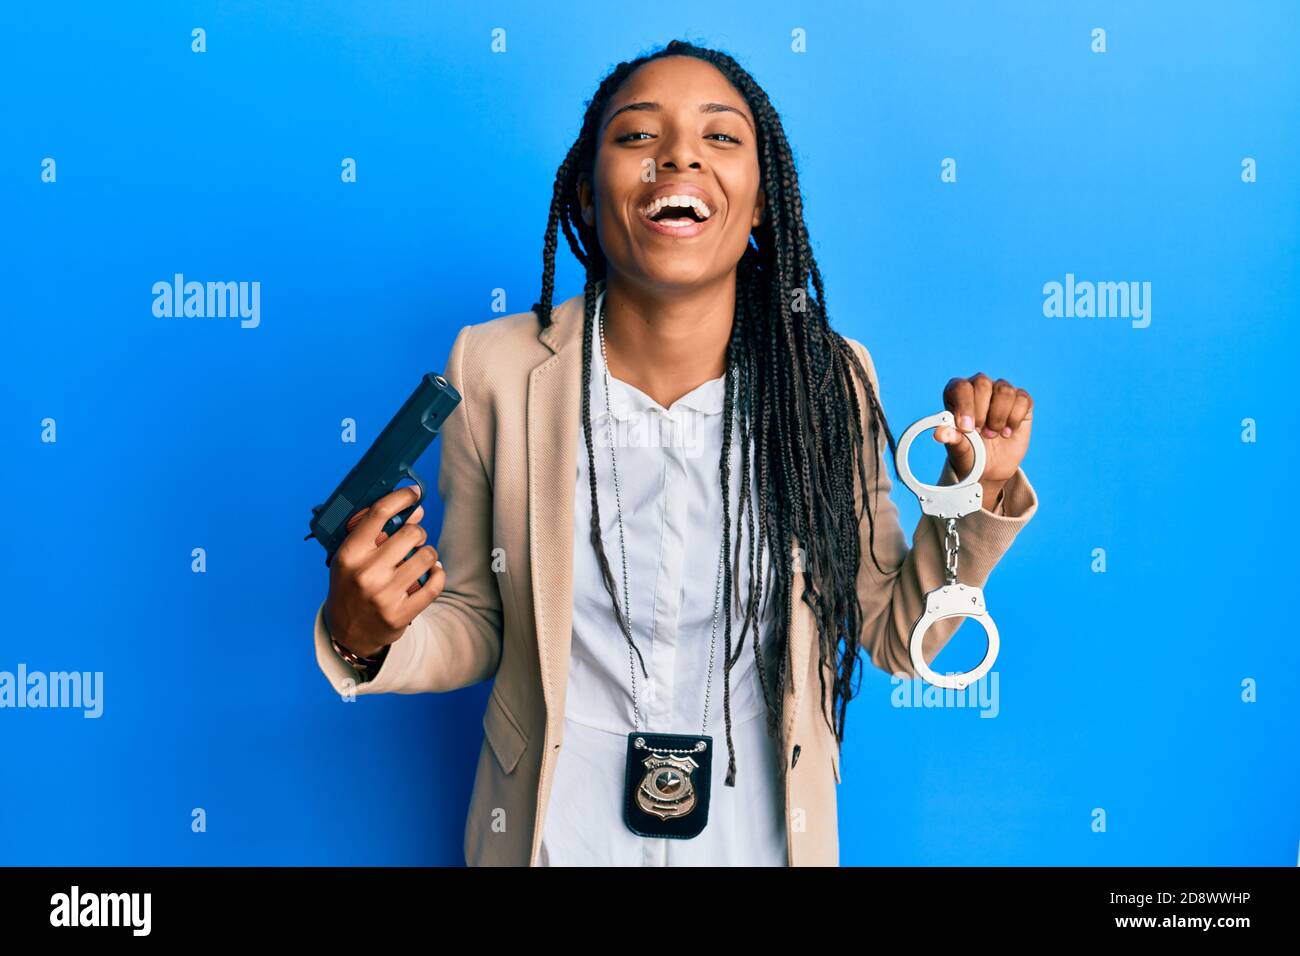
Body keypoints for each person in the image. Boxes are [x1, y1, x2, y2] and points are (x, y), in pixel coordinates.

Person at [310, 40, 1039, 866]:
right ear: (585, 195)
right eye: (636, 137)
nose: (680, 155)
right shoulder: (493, 367)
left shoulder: (825, 380)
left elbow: (891, 632)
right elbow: (480, 620)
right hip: (554, 837)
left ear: (763, 201)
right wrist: (362, 634)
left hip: (755, 840)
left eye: (721, 138)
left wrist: (969, 495)